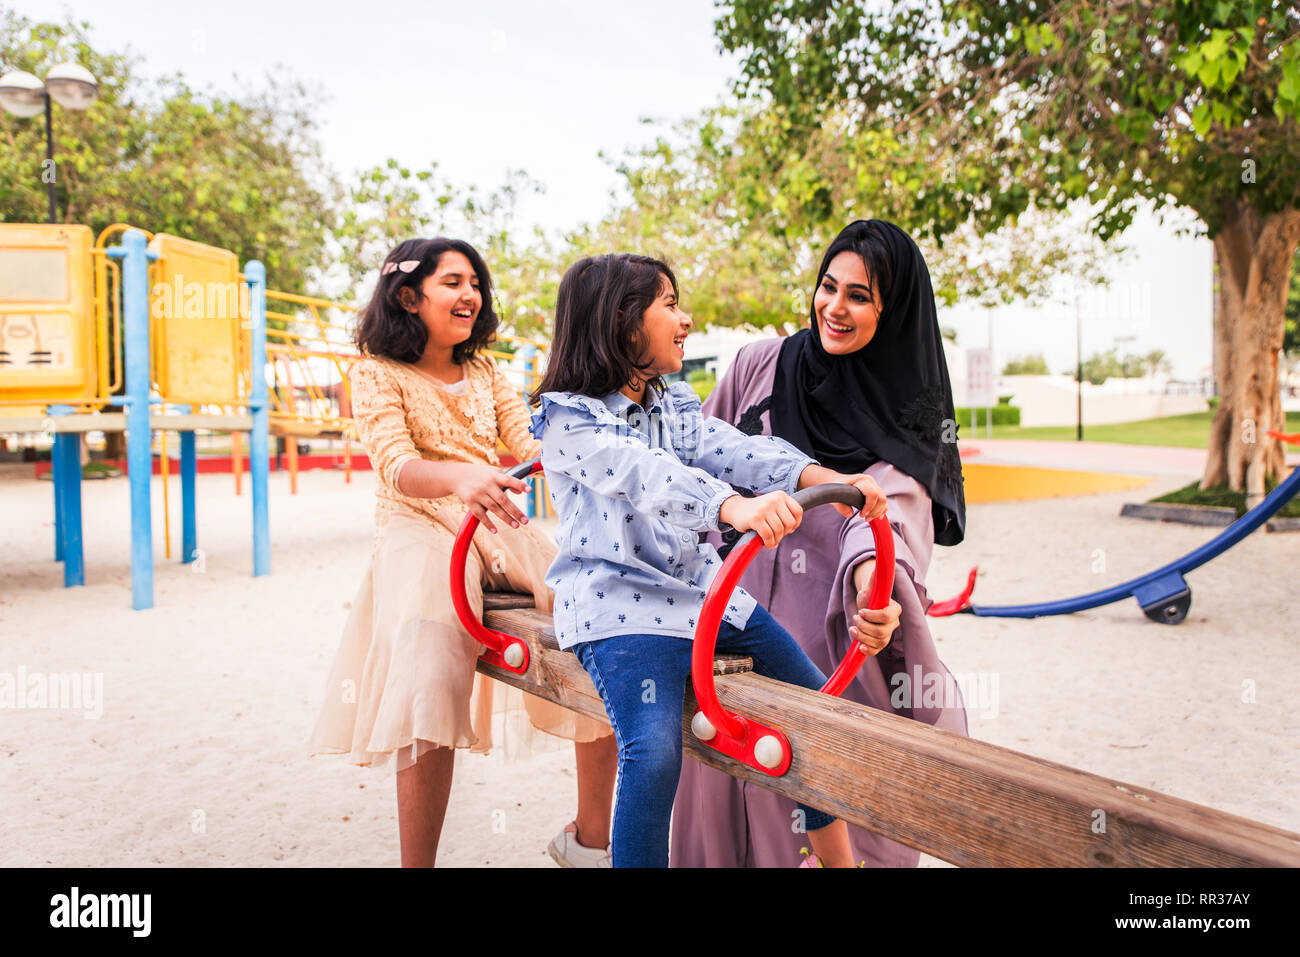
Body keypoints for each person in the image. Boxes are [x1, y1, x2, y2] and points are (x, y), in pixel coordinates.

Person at [527, 253, 902, 867]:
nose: (687, 319)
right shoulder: (571, 419)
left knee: (816, 711)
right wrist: (731, 507)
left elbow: (735, 448)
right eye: (670, 305)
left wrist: (827, 478)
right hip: (620, 609)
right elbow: (644, 474)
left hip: (704, 597)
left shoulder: (671, 404)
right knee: (652, 753)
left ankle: (838, 863)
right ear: (624, 323)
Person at [309, 237, 617, 868]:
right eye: (452, 281)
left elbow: (531, 436)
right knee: (429, 643)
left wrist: (595, 433)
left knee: (600, 612)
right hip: (417, 521)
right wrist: (461, 478)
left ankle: (590, 838)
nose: (470, 294)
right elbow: (396, 465)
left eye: (474, 282)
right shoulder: (376, 372)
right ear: (407, 295)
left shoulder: (485, 372)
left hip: (491, 519)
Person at [671, 219, 971, 868]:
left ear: (892, 312)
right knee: (718, 803)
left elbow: (885, 516)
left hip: (830, 648)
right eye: (828, 287)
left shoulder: (910, 416)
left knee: (813, 816)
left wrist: (872, 588)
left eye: (859, 296)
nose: (834, 307)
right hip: (729, 633)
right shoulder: (759, 365)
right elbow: (697, 457)